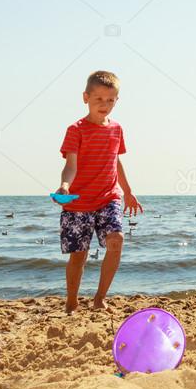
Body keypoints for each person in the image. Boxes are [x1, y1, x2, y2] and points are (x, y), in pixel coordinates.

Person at [55, 71, 143, 314]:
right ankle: (72, 301)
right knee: (78, 255)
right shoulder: (76, 130)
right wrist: (64, 185)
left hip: (108, 197)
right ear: (86, 97)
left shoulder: (116, 129)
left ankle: (99, 298)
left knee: (117, 240)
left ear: (117, 100)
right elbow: (70, 165)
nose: (104, 105)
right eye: (99, 99)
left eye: (110, 100)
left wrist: (128, 191)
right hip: (78, 202)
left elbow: (116, 161)